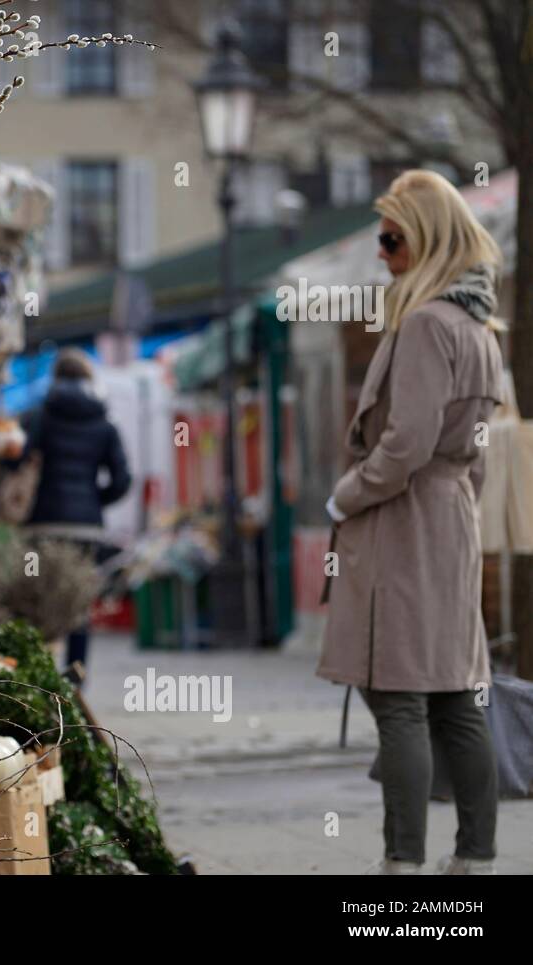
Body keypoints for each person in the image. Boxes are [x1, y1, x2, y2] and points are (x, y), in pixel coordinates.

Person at [318, 170, 505, 875]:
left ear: (423, 238)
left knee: (398, 695)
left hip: (404, 522)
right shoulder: (479, 327)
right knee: (455, 696)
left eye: (392, 238)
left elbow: (406, 442)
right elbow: (473, 452)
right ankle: (476, 858)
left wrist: (347, 496)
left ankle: (403, 865)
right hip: (450, 518)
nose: (381, 251)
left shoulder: (427, 324)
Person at [20, 347, 131, 669]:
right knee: (79, 603)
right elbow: (123, 479)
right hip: (86, 528)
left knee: (39, 597)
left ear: (56, 379)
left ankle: (40, 675)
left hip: (43, 523)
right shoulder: (105, 423)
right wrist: (95, 500)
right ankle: (76, 678)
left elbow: (15, 457)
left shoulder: (40, 416)